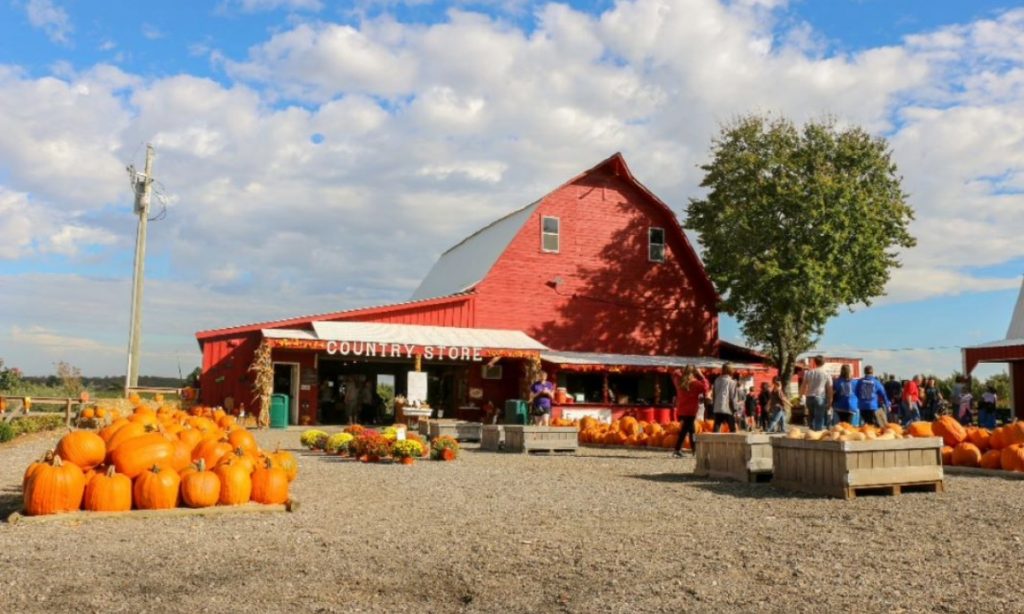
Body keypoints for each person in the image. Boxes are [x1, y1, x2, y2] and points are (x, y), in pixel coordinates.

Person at [671, 365, 709, 457]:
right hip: (691, 410)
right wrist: (701, 376)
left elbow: (675, 374)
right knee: (685, 430)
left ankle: (694, 450)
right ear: (694, 373)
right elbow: (706, 387)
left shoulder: (679, 381)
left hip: (681, 409)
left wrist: (681, 371)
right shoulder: (695, 384)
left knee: (692, 430)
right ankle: (677, 449)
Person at [800, 356, 833, 431]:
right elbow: (830, 389)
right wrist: (830, 402)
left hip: (809, 397)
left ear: (815, 362)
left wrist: (801, 396)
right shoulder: (826, 373)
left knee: (811, 417)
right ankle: (817, 434)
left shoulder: (809, 372)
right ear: (824, 363)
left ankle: (811, 432)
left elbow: (803, 385)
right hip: (820, 397)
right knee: (819, 418)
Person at [712, 364, 740, 432]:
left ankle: (714, 439)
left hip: (717, 406)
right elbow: (732, 397)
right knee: (732, 429)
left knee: (716, 427)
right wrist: (735, 409)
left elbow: (714, 394)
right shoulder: (732, 382)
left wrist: (714, 405)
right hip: (728, 407)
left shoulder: (716, 380)